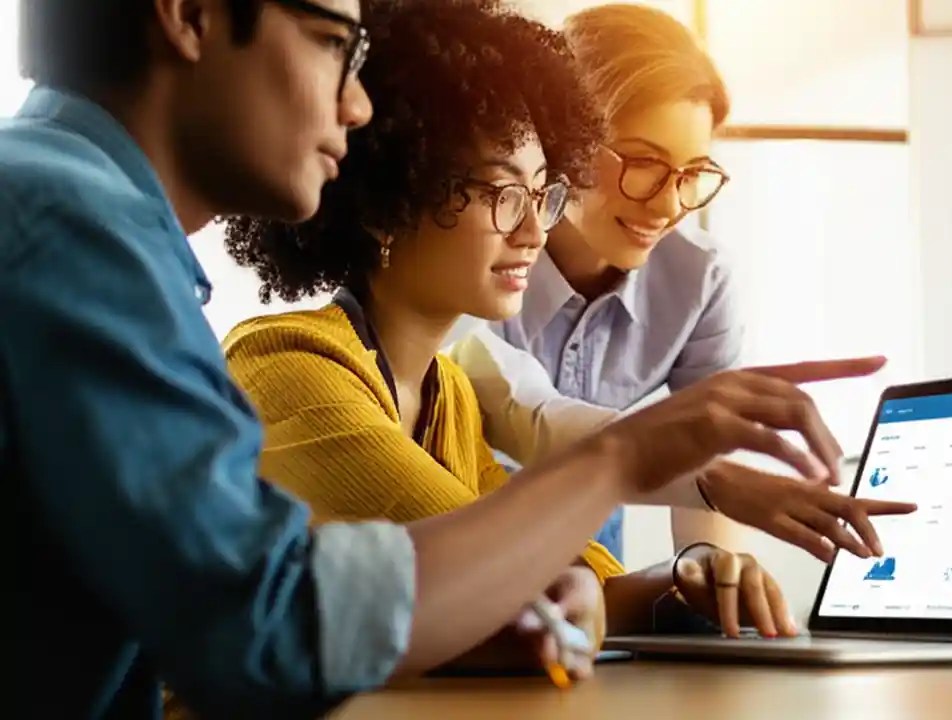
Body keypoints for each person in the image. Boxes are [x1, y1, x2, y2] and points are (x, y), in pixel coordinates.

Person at [2, 0, 903, 716]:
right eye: (328, 41)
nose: (353, 106)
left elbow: (522, 586)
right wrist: (625, 459)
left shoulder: (87, 220)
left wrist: (670, 583)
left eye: (541, 195)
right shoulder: (72, 231)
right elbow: (268, 623)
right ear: (189, 14)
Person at [221, 0, 913, 646]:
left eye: (541, 193)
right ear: (384, 206)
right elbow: (490, 579)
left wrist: (685, 582)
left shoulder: (448, 401)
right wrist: (634, 471)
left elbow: (578, 578)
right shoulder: (288, 365)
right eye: (498, 192)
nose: (531, 230)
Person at [449, 3, 821, 562]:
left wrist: (709, 577)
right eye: (644, 163)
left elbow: (703, 484)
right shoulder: (473, 255)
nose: (670, 205)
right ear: (560, 140)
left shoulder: (699, 281)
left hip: (598, 565)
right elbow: (524, 408)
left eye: (693, 173)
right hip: (462, 552)